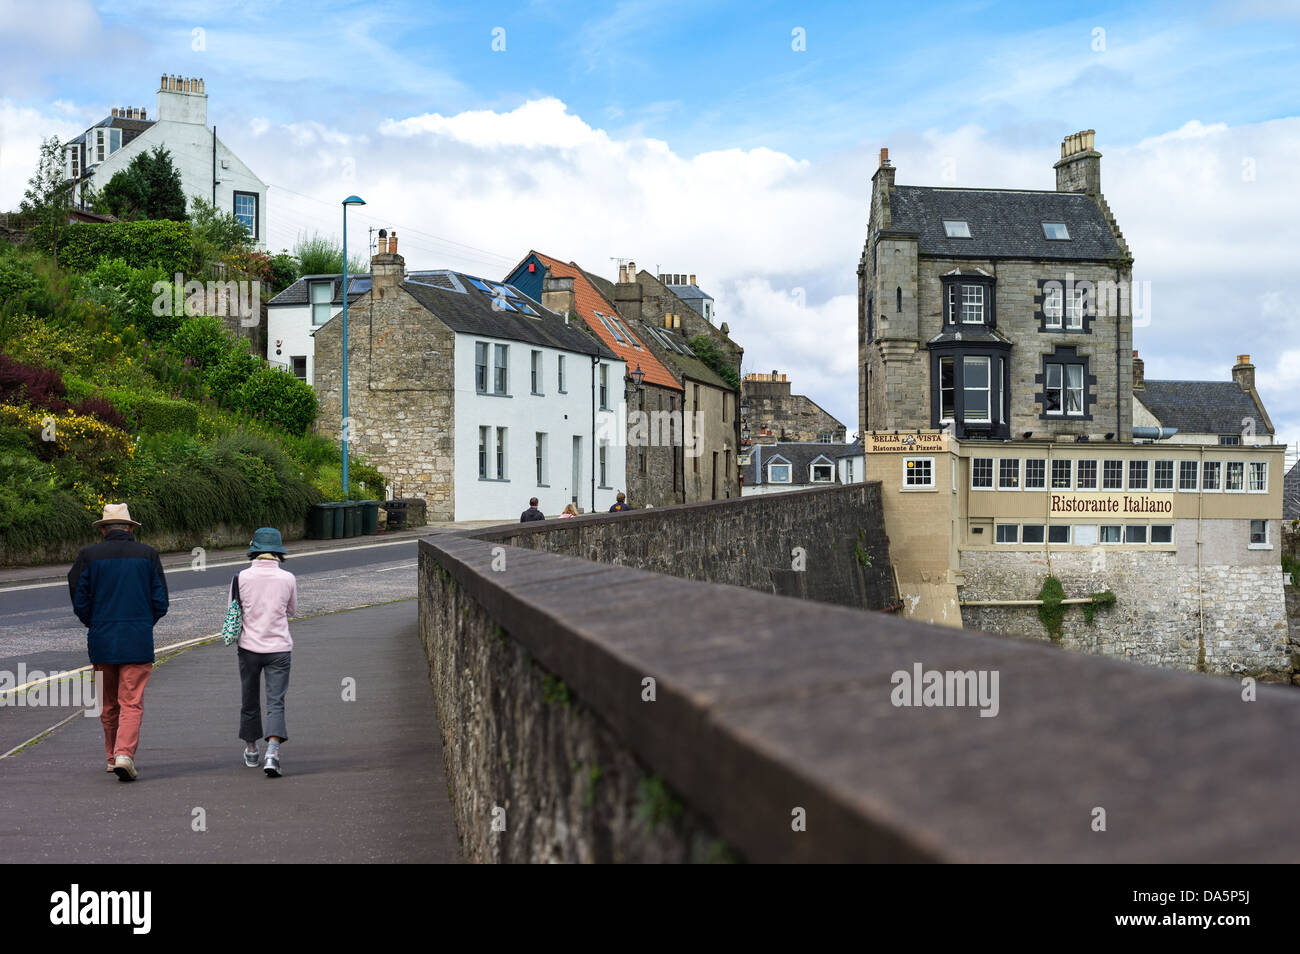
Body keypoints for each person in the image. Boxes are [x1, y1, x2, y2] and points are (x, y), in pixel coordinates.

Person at [67, 503, 168, 782]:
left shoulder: (88, 556)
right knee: (131, 701)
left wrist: (93, 621)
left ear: (102, 529)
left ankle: (112, 758)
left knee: (108, 703)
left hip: (101, 641)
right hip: (137, 642)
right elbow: (161, 602)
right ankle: (125, 754)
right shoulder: (148, 555)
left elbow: (79, 596)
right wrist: (143, 623)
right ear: (131, 528)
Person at [233, 528, 297, 778]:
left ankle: (251, 749)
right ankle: (273, 752)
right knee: (275, 702)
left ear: (255, 550)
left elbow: (233, 609)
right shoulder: (288, 578)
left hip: (248, 648)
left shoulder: (240, 577)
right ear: (278, 551)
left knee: (249, 698)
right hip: (279, 649)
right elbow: (291, 610)